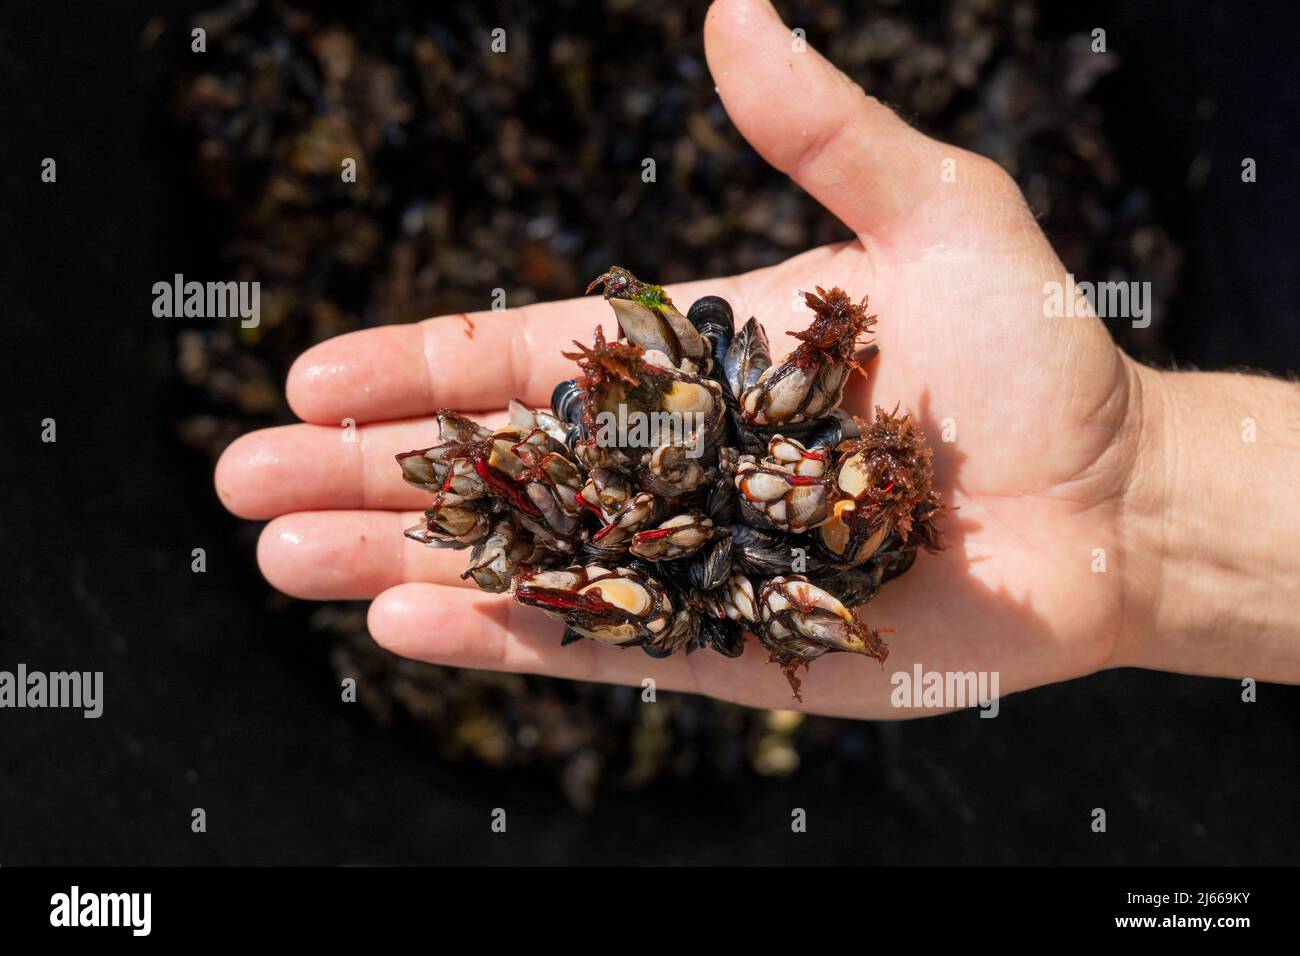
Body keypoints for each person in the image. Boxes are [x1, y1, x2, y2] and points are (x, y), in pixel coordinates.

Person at [214, 0, 1299, 718]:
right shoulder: (687, 498)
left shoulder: (746, 476)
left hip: (709, 504)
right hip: (690, 509)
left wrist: (1131, 484)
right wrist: (1139, 490)